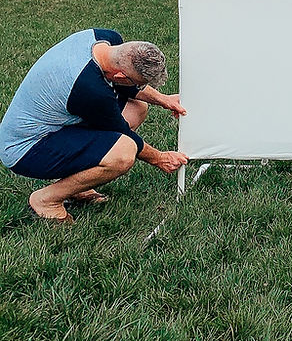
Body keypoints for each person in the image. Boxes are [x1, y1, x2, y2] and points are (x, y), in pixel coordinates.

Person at [0, 28, 188, 224]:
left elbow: (124, 89)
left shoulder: (106, 39)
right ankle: (47, 200)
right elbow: (120, 130)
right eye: (139, 83)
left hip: (57, 126)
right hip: (25, 149)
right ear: (121, 76)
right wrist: (159, 158)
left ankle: (77, 186)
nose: (141, 87)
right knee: (123, 153)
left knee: (137, 108)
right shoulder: (89, 89)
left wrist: (164, 100)